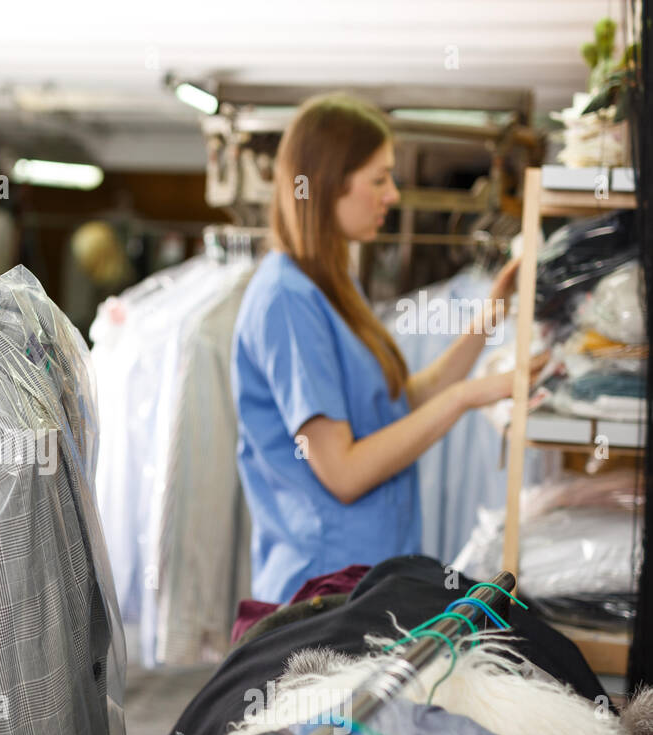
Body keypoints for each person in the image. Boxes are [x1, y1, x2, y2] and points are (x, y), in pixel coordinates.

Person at [231, 93, 546, 603]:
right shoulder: (286, 300)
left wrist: (491, 315)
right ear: (329, 182)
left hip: (365, 579)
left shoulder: (333, 286)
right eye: (379, 180)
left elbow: (398, 403)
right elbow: (345, 473)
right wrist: (467, 398)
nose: (393, 195)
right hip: (321, 593)